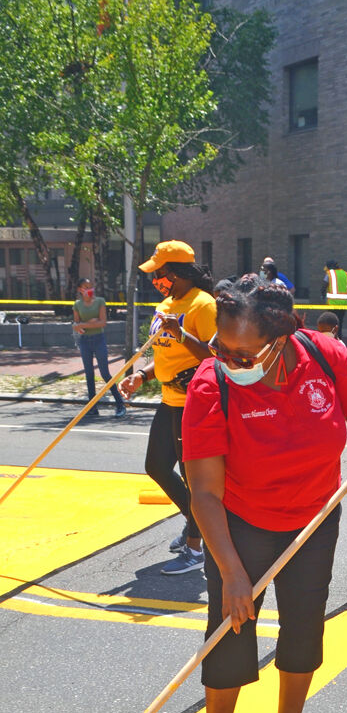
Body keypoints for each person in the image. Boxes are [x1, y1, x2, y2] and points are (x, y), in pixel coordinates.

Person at [175, 276, 347, 713]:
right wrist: (231, 573)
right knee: (230, 632)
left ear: (282, 338)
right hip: (241, 525)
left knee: (304, 627)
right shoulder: (210, 384)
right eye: (221, 348)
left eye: (242, 354)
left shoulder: (324, 353)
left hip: (315, 519)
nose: (228, 360)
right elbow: (204, 493)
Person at [119, 240, 217, 575]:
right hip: (168, 399)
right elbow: (163, 354)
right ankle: (196, 521)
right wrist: (141, 376)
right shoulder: (166, 304)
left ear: (175, 273)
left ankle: (196, 548)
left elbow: (216, 355)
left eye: (158, 273)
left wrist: (181, 333)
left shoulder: (203, 305)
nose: (155, 280)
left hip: (195, 404)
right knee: (157, 467)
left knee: (194, 479)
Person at [72, 279, 127, 418]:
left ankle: (120, 404)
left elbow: (102, 323)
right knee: (89, 374)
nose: (89, 290)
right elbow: (76, 325)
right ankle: (92, 407)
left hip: (98, 340)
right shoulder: (77, 304)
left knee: (105, 373)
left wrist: (84, 324)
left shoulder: (100, 301)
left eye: (91, 287)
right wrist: (89, 322)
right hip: (84, 341)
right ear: (80, 289)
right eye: (85, 287)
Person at [321, 259, 347, 333]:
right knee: (339, 322)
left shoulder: (330, 273)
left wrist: (323, 296)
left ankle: (332, 338)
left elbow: (324, 287)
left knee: (331, 323)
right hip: (343, 304)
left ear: (330, 267)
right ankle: (339, 337)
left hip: (332, 304)